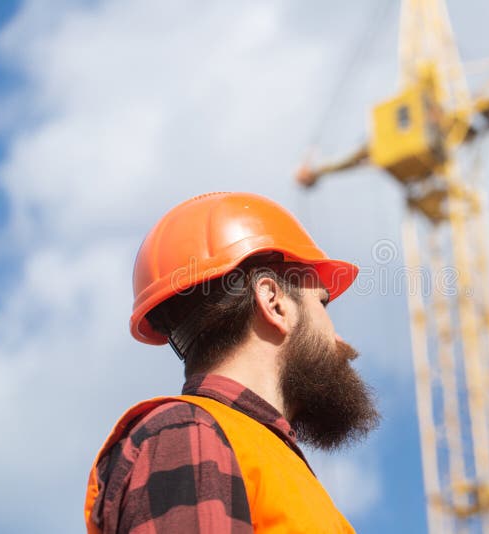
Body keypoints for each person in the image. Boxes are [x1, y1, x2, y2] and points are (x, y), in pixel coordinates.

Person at [84, 192, 380, 533]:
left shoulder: (265, 459)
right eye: (322, 304)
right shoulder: (188, 435)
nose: (341, 341)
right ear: (275, 303)